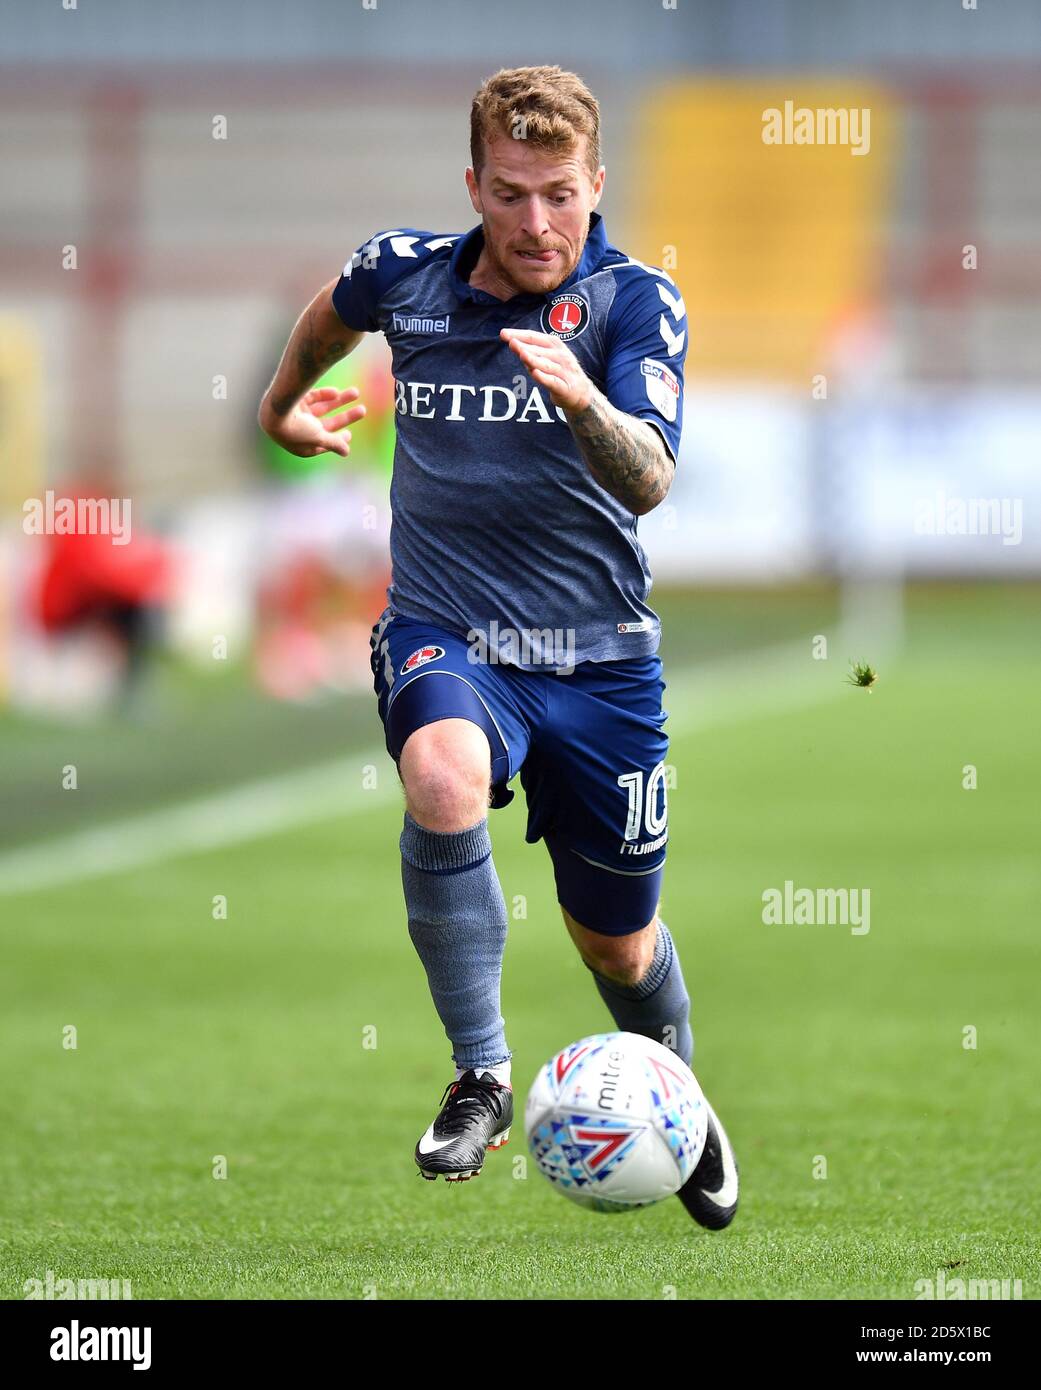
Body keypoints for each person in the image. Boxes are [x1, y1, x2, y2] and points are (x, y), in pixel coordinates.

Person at [259, 65, 737, 1228]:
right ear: (473, 184)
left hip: (602, 660)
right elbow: (335, 307)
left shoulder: (635, 302)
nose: (537, 222)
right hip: (447, 631)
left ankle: (683, 1099)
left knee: (617, 945)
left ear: (596, 185)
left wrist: (583, 403)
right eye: (512, 194)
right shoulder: (406, 276)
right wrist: (282, 405)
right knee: (441, 773)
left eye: (561, 194)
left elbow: (653, 478)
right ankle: (481, 1072)